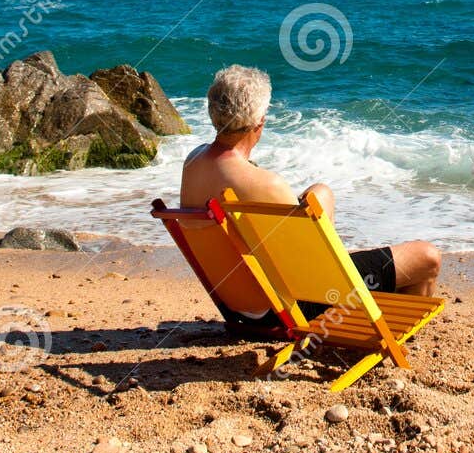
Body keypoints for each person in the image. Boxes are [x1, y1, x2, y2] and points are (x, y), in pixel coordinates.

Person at [180, 64, 440, 332]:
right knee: (427, 256)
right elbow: (313, 269)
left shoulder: (193, 162)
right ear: (260, 122)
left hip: (238, 306)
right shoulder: (266, 185)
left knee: (321, 192)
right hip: (285, 307)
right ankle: (387, 335)